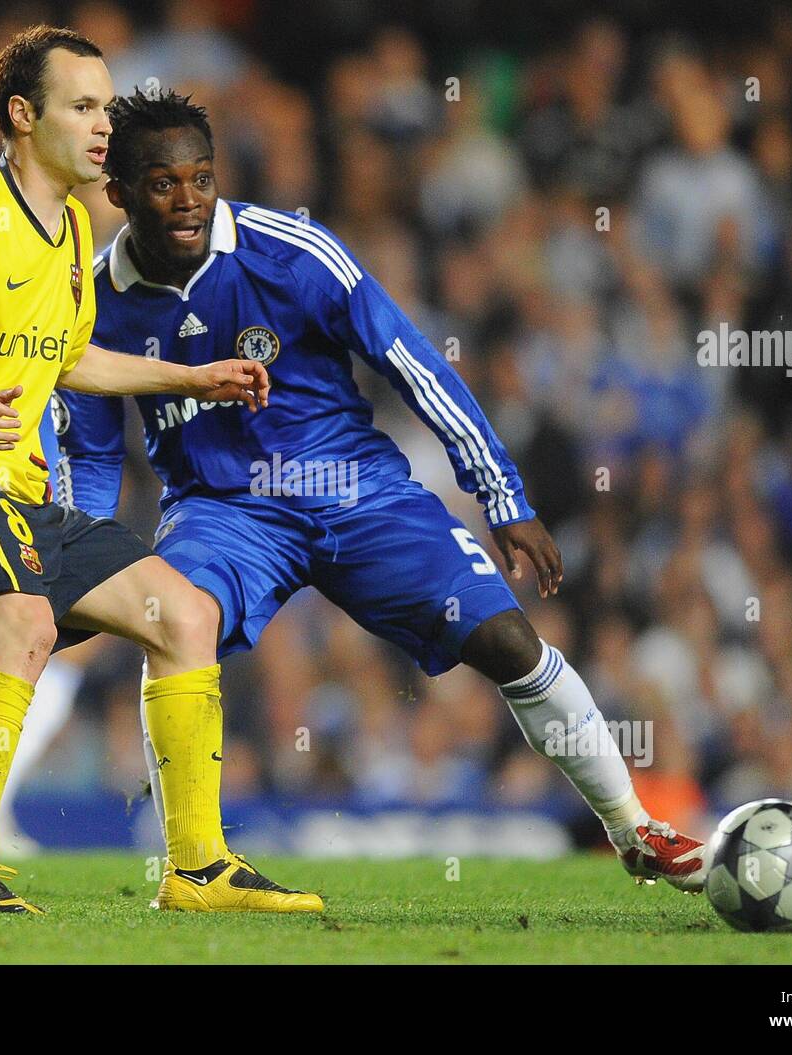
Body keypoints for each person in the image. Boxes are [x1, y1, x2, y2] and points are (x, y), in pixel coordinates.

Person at [49, 90, 707, 910]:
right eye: (161, 183)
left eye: (201, 178)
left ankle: (633, 826)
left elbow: (413, 362)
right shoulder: (89, 299)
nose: (187, 200)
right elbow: (92, 447)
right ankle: (194, 866)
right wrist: (79, 550)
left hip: (351, 483)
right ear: (116, 191)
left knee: (507, 639)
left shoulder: (292, 251)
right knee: (173, 619)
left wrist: (500, 493)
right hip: (222, 508)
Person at [0, 28, 304, 915]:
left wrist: (194, 376)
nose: (105, 125)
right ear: (23, 116)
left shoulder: (69, 229)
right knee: (22, 625)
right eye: (83, 106)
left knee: (184, 614)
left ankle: (197, 868)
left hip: (17, 487)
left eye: (106, 106)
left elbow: (71, 360)